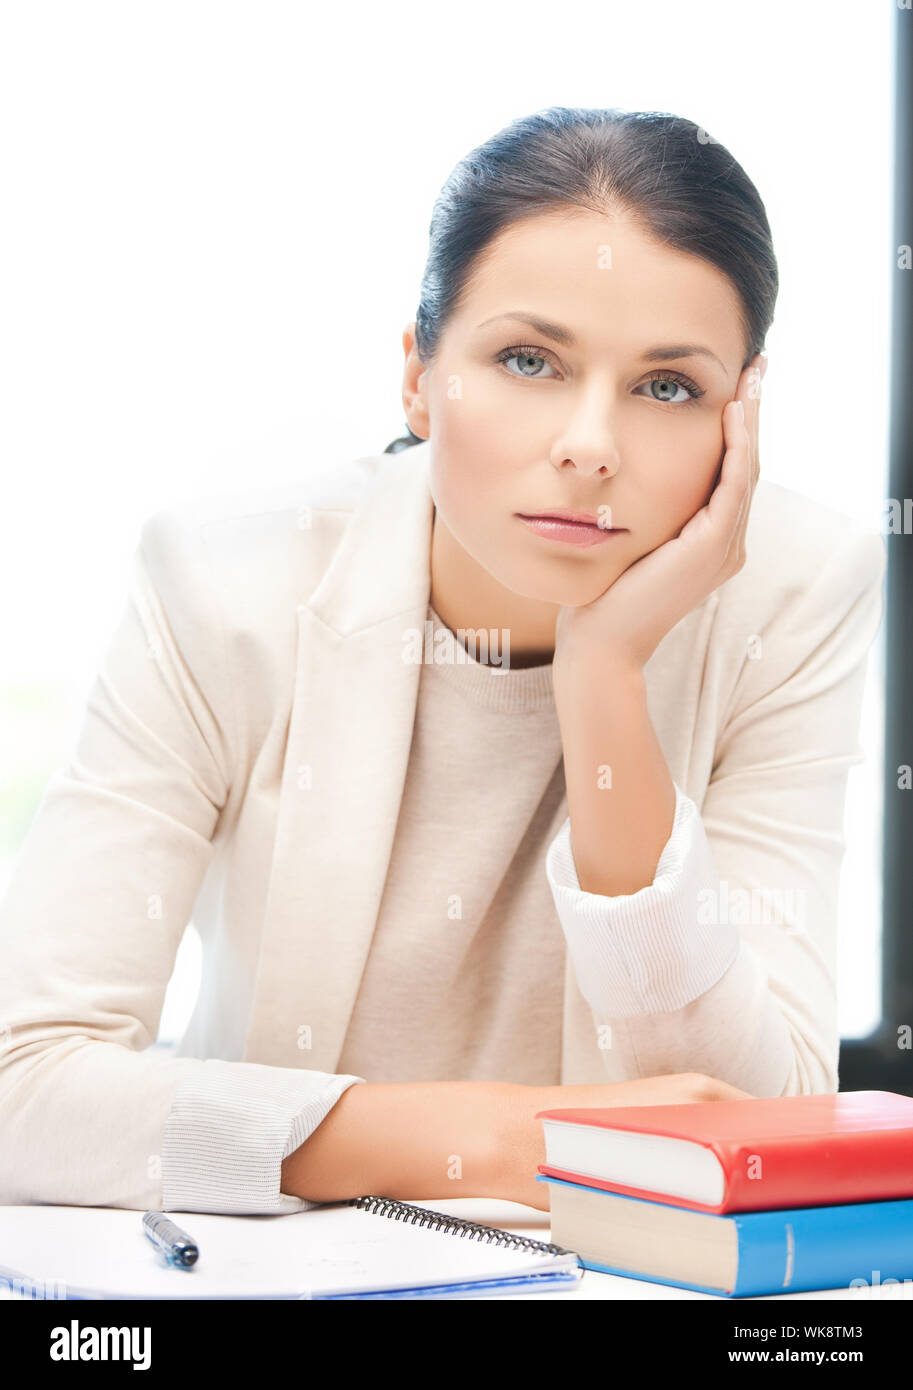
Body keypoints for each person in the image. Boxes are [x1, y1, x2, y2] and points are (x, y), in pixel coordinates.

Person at [0, 107, 885, 1217]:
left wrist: (602, 677)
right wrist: (503, 1139)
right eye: (529, 360)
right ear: (417, 376)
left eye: (668, 387)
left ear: (739, 418)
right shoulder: (224, 586)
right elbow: (21, 1082)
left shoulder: (795, 593)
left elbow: (759, 1129)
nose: (591, 444)